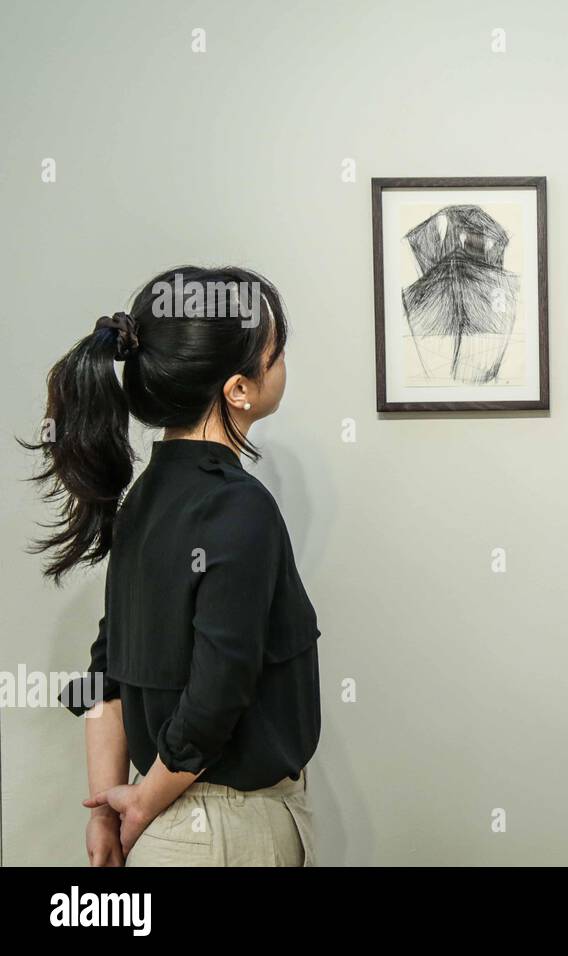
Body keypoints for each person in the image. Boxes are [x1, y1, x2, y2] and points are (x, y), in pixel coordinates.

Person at [26, 265, 321, 866]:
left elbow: (105, 674)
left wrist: (107, 810)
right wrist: (136, 803)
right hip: (224, 834)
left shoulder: (142, 500)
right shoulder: (238, 505)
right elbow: (217, 693)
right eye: (275, 352)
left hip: (169, 829)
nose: (283, 364)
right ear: (238, 389)